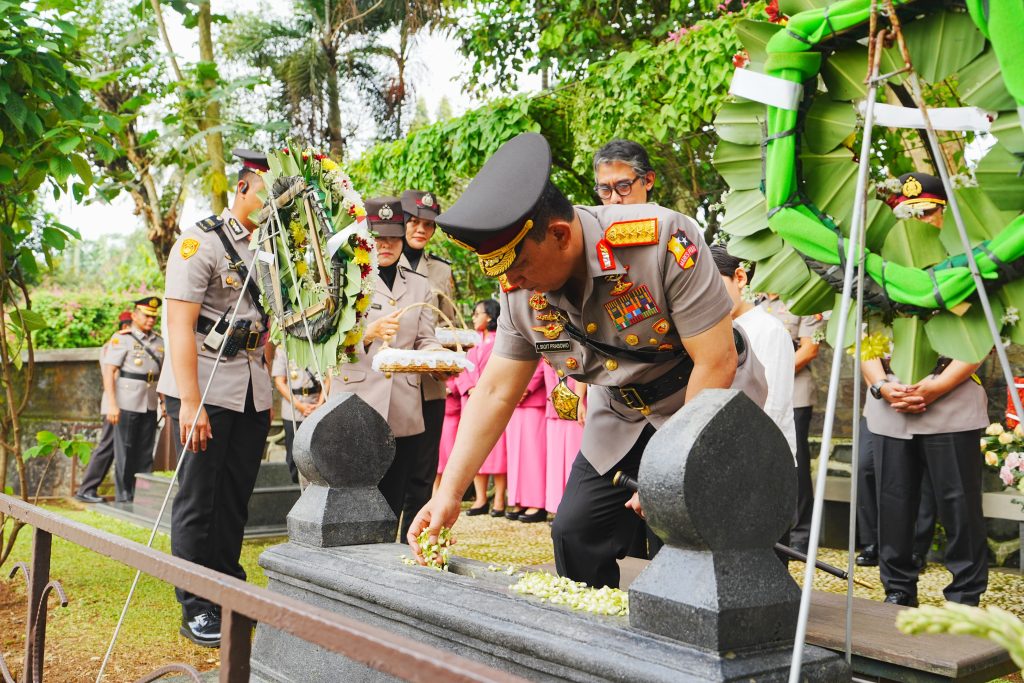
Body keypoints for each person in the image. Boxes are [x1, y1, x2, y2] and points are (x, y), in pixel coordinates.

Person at [408, 132, 765, 588]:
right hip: (619, 415)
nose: (512, 286)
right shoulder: (519, 290)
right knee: (574, 534)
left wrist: (672, 474)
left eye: (518, 270)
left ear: (559, 235)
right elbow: (496, 390)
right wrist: (448, 495)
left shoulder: (660, 241)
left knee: (684, 541)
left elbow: (715, 362)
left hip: (702, 403)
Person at [158, 148, 274, 647]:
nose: (277, 202)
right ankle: (197, 605)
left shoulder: (273, 248)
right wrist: (189, 402)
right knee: (199, 498)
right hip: (202, 383)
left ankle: (229, 592)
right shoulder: (199, 241)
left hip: (250, 390)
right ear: (243, 187)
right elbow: (179, 327)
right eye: (271, 191)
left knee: (233, 500)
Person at [861, 171, 989, 606]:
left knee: (959, 504)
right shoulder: (876, 266)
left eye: (927, 213)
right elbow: (863, 336)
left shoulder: (965, 263)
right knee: (893, 503)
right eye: (906, 214)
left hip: (949, 398)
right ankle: (897, 589)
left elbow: (978, 337)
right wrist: (880, 385)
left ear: (943, 215)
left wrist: (936, 387)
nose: (917, 222)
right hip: (891, 399)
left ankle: (966, 595)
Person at [330, 196, 443, 535]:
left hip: (403, 408)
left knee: (393, 497)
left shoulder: (419, 283)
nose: (386, 245)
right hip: (356, 403)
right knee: (352, 494)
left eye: (393, 237)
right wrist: (368, 333)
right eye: (379, 238)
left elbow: (425, 338)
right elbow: (324, 339)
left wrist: (439, 358)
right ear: (365, 238)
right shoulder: (345, 278)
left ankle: (385, 569)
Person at [399, 189, 457, 538]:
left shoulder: (440, 271)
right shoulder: (379, 263)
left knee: (422, 474)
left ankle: (414, 544)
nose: (421, 230)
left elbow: (450, 326)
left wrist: (446, 360)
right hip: (390, 384)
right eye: (415, 222)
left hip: (430, 387)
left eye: (428, 225)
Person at [711, 247, 796, 456]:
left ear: (739, 277)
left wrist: (745, 451)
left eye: (713, 286)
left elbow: (774, 404)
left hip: (762, 454)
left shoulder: (770, 329)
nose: (707, 298)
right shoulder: (710, 334)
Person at [758, 294, 825, 553]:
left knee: (795, 464)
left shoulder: (803, 301)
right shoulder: (752, 300)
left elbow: (809, 349)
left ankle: (801, 533)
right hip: (757, 394)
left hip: (793, 393)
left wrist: (772, 372)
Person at [102, 297, 164, 503]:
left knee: (146, 451)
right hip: (127, 401)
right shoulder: (122, 339)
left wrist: (163, 402)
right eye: (146, 316)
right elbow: (109, 371)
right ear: (135, 316)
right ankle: (124, 495)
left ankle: (142, 494)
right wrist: (112, 404)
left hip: (149, 401)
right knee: (125, 450)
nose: (150, 320)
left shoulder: (159, 341)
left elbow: (161, 374)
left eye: (154, 317)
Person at [453, 299, 508, 516]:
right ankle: (480, 498)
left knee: (497, 450)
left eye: (478, 313)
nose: (474, 317)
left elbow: (502, 371)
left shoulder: (500, 342)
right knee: (471, 445)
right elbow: (462, 370)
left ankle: (500, 500)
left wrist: (482, 388)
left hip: (491, 400)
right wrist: (468, 388)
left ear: (491, 317)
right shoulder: (472, 343)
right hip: (471, 399)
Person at [75, 311, 132, 503]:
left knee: (113, 447)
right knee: (107, 446)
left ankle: (88, 489)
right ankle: (86, 489)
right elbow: (112, 376)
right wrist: (114, 405)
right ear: (126, 327)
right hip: (115, 404)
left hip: (120, 404)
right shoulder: (114, 345)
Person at [272, 345, 327, 484]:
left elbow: (329, 378)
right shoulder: (283, 348)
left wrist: (320, 404)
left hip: (317, 406)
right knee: (293, 455)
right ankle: (295, 488)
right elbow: (279, 382)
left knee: (318, 454)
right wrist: (300, 406)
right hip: (293, 410)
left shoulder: (321, 345)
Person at [505, 362, 548, 522]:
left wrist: (526, 387)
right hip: (513, 401)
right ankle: (520, 499)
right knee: (516, 455)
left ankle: (536, 502)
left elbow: (544, 362)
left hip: (534, 398)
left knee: (533, 454)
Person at [542, 360, 585, 515]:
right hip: (557, 396)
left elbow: (582, 365)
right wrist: (554, 393)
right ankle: (557, 506)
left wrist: (579, 399)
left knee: (574, 457)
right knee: (556, 459)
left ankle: (575, 508)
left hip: (580, 399)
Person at [592, 139, 656, 205]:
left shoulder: (664, 215)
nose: (614, 200)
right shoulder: (592, 214)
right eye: (605, 189)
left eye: (623, 186)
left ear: (648, 180)